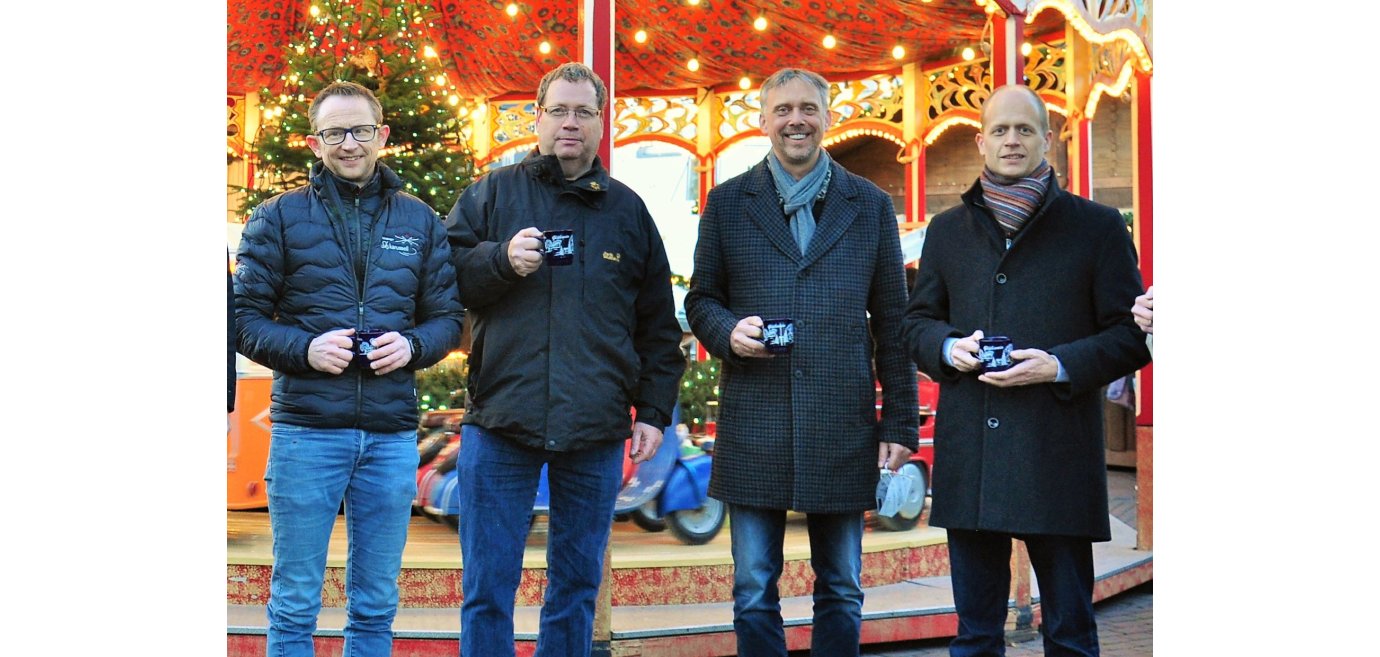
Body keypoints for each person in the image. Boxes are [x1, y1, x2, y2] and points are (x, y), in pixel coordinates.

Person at [443, 62, 685, 657]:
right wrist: (499, 260)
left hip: (595, 429)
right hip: (502, 422)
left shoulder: (628, 213)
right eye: (558, 110)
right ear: (538, 116)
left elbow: (658, 325)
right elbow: (443, 281)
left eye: (583, 111)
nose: (569, 123)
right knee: (487, 586)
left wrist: (653, 411)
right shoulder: (492, 194)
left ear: (603, 122)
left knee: (576, 585)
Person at [901, 84, 1152, 656]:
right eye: (1000, 129)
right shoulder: (947, 230)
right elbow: (915, 323)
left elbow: (1131, 333)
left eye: (1024, 129)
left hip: (1056, 451)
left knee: (1070, 632)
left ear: (1049, 137)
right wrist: (946, 348)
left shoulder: (1097, 226)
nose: (1011, 139)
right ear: (981, 139)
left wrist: (1059, 364)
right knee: (976, 635)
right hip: (975, 456)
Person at [683, 67, 919, 657]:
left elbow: (894, 322)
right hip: (754, 419)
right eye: (783, 109)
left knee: (841, 586)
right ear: (763, 121)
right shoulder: (729, 202)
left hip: (842, 423)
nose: (796, 120)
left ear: (827, 118)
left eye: (808, 109)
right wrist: (727, 332)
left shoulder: (868, 205)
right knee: (753, 586)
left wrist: (899, 424)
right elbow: (701, 298)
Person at [234, 80, 464, 656]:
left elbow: (447, 319)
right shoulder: (278, 218)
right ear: (315, 143)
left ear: (382, 135)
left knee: (376, 601)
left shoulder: (420, 221)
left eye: (360, 130)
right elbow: (242, 318)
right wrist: (305, 349)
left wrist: (412, 347)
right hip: (306, 432)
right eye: (335, 133)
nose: (349, 144)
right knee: (294, 598)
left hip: (389, 437)